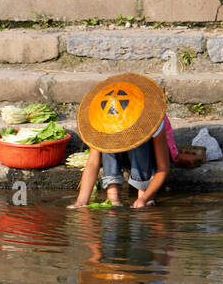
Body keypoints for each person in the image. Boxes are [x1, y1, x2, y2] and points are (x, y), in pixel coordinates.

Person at [70, 72, 172, 210]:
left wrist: (144, 197)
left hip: (147, 161)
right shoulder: (103, 125)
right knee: (107, 144)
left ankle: (142, 190)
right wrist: (82, 200)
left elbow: (163, 169)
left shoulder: (150, 121)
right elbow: (93, 162)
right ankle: (112, 193)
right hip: (123, 157)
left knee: (140, 145)